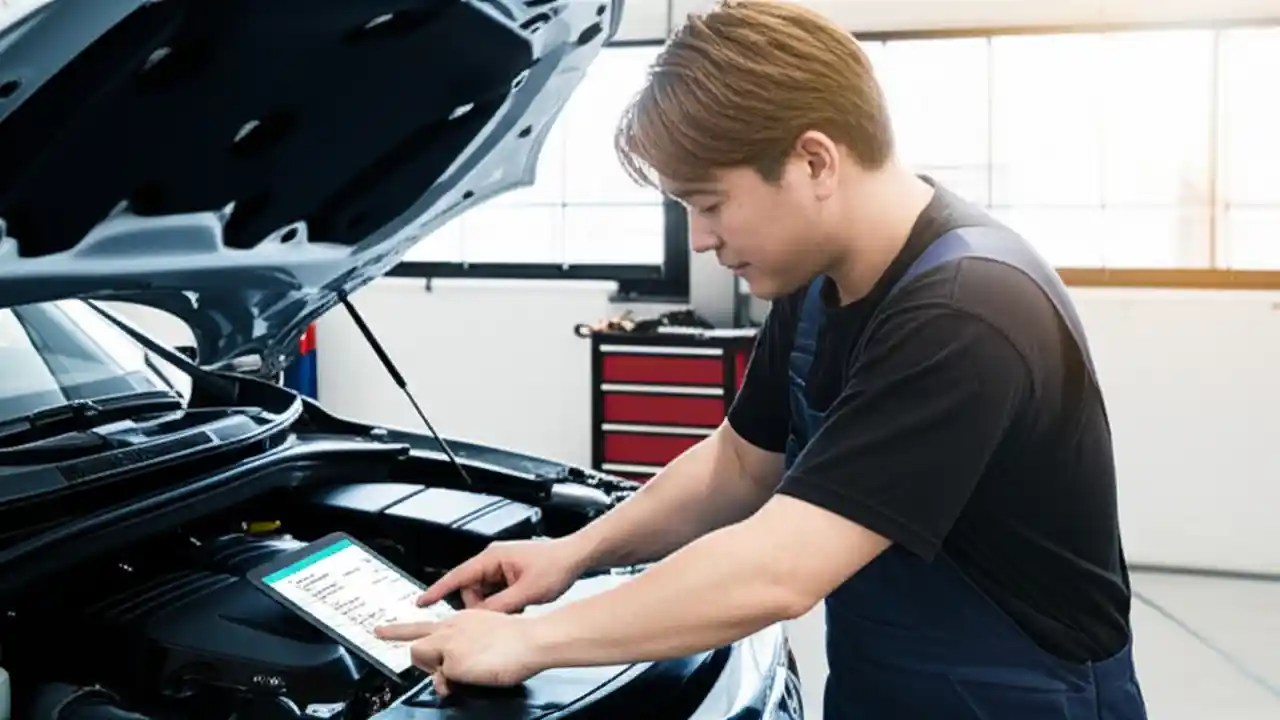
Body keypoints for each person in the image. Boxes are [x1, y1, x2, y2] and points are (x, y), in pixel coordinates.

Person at [375, 2, 1149, 717]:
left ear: (814, 162)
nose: (701, 240)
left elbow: (781, 568)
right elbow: (740, 466)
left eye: (710, 204)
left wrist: (531, 640)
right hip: (887, 688)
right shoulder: (818, 283)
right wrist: (573, 554)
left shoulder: (966, 309)